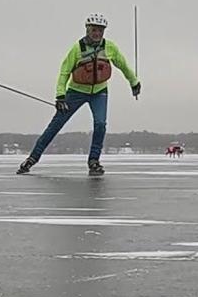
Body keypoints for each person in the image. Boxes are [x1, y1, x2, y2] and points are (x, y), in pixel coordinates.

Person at [17, 13, 140, 176]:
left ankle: (94, 161)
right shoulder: (77, 49)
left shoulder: (110, 47)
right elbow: (64, 72)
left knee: (100, 124)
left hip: (99, 92)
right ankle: (32, 159)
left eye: (100, 31)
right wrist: (60, 96)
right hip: (75, 92)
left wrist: (134, 82)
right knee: (56, 125)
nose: (97, 34)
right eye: (94, 30)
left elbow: (123, 65)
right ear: (87, 30)